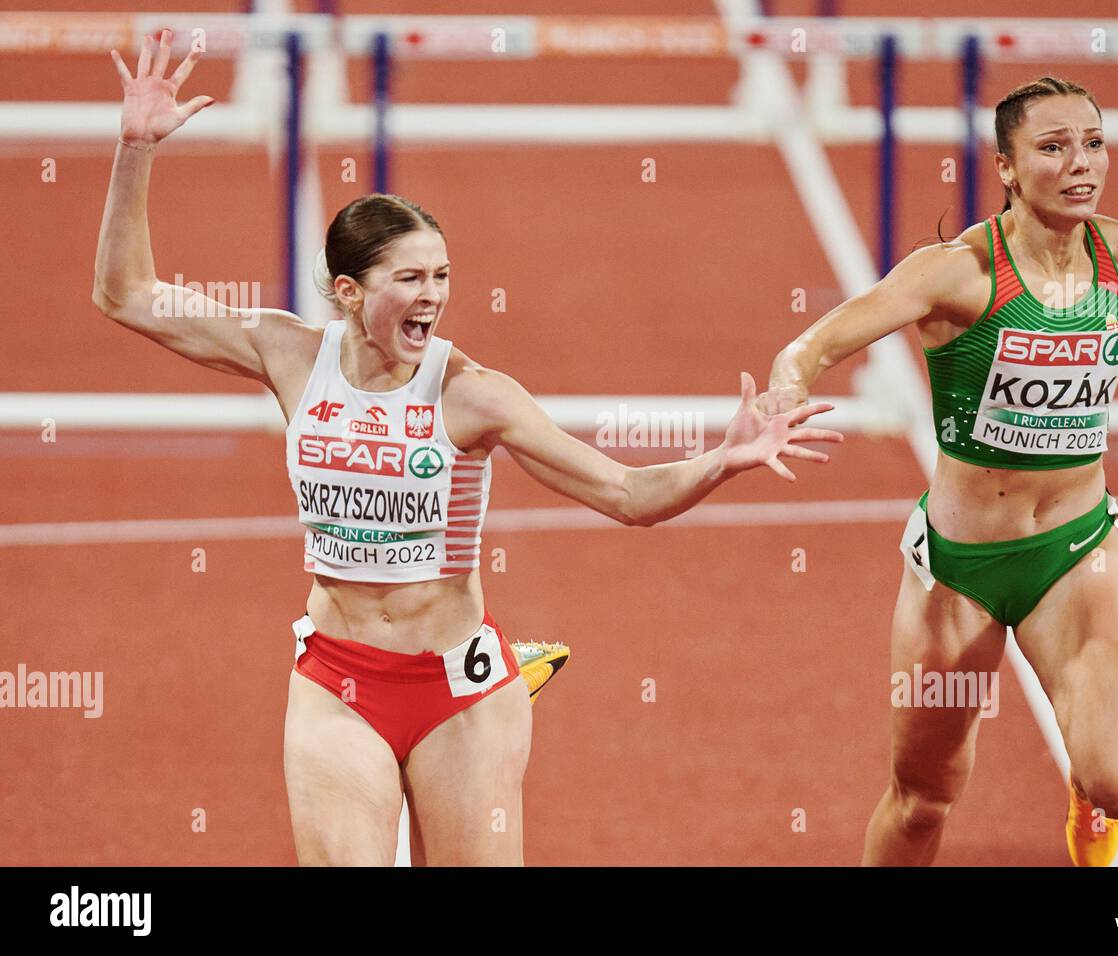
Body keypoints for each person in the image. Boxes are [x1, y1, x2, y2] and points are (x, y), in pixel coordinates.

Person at [94, 30, 843, 866]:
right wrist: (134, 150)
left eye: (442, 276)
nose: (434, 298)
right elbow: (125, 295)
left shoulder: (473, 393)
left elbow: (629, 497)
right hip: (338, 683)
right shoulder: (288, 353)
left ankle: (509, 672)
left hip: (459, 692)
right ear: (349, 292)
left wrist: (722, 459)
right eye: (409, 279)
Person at [762, 76, 1118, 866]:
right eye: (1053, 148)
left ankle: (1087, 814)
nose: (1080, 163)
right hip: (958, 571)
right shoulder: (955, 275)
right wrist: (786, 391)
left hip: (1075, 553)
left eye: (1092, 143)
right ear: (1009, 169)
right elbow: (814, 345)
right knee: (923, 799)